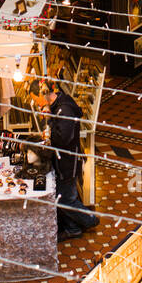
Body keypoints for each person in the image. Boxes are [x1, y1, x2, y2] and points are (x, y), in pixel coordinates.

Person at [33, 78, 98, 240]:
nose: (35, 104)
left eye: (35, 100)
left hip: (68, 162)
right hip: (64, 161)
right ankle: (73, 228)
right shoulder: (57, 105)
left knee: (67, 199)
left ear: (43, 95)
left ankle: (90, 219)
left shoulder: (65, 110)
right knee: (63, 196)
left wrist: (48, 120)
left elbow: (63, 138)